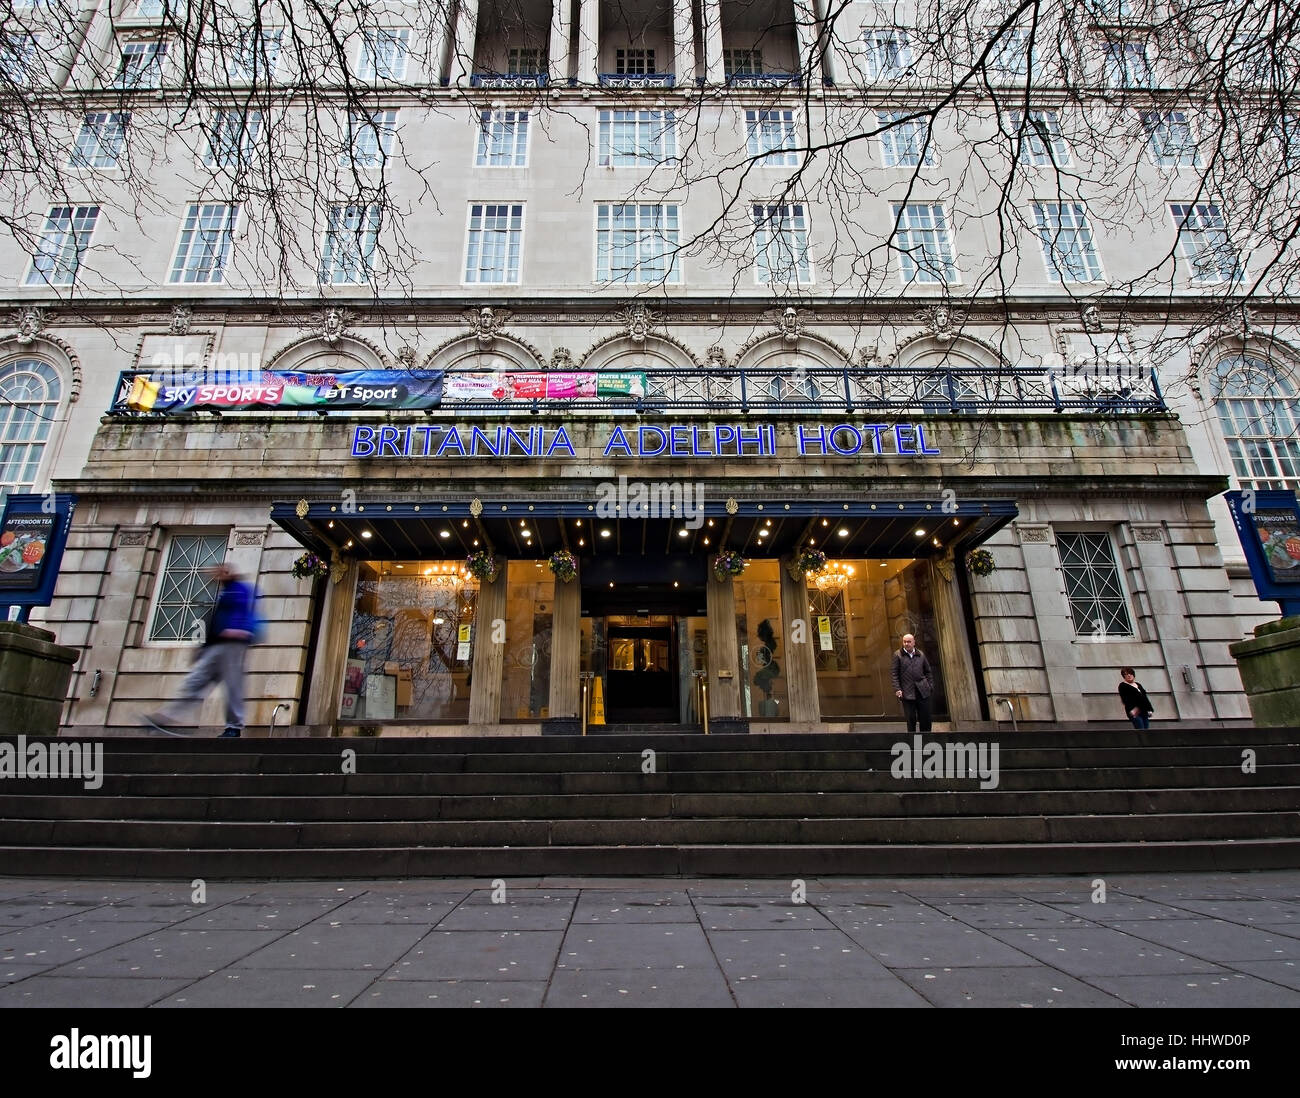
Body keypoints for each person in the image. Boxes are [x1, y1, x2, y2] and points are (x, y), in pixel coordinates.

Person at [143, 564, 256, 738]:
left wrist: (235, 629)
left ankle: (233, 727)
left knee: (233, 686)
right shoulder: (222, 593)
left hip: (232, 643)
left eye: (218, 574)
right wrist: (202, 648)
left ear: (226, 572)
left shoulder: (238, 589)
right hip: (216, 645)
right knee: (194, 681)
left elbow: (240, 611)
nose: (215, 578)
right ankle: (165, 717)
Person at [890, 633, 935, 733]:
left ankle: (926, 741)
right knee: (911, 719)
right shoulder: (898, 655)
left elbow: (928, 671)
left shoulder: (921, 654)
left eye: (909, 642)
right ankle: (913, 743)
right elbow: (894, 674)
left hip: (923, 690)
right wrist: (897, 689)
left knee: (925, 718)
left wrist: (930, 686)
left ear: (914, 642)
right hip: (907, 692)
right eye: (904, 642)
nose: (906, 644)